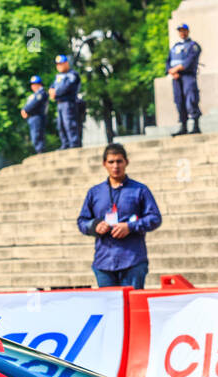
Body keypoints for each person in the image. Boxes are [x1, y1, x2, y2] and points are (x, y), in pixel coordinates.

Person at [76, 143, 162, 289]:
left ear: (126, 162)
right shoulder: (95, 192)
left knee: (132, 307)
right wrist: (95, 226)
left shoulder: (139, 190)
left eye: (119, 161)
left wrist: (130, 227)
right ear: (104, 164)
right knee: (109, 309)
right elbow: (82, 221)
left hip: (132, 260)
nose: (115, 166)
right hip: (104, 262)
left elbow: (154, 218)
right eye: (111, 162)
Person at [167, 24, 202, 136]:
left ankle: (195, 125)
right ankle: (183, 126)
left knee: (191, 99)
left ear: (188, 31)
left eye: (183, 30)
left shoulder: (193, 46)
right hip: (176, 78)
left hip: (188, 76)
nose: (182, 33)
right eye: (180, 31)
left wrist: (176, 69)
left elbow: (189, 61)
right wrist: (171, 71)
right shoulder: (175, 47)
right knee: (179, 101)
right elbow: (167, 61)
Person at [48, 54, 83, 149]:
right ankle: (65, 144)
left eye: (61, 64)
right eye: (58, 64)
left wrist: (56, 93)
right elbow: (52, 87)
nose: (59, 66)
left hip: (68, 103)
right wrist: (51, 91)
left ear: (66, 63)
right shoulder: (58, 76)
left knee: (69, 124)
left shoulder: (72, 74)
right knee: (61, 125)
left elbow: (66, 87)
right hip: (59, 104)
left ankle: (74, 143)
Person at [21, 75, 49, 154]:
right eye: (32, 84)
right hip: (32, 118)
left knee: (38, 135)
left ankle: (41, 151)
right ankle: (39, 151)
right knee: (34, 136)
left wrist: (25, 110)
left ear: (39, 84)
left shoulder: (42, 93)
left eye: (34, 84)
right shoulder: (34, 95)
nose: (33, 86)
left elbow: (34, 104)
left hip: (38, 117)